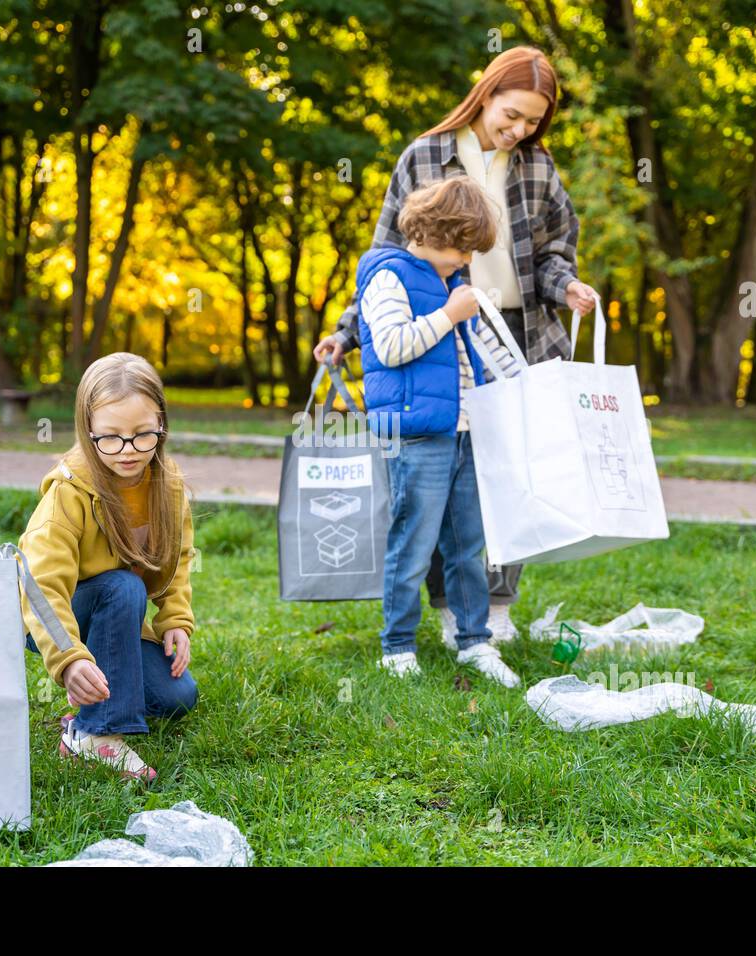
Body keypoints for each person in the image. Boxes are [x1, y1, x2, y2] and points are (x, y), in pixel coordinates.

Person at [314, 46, 599, 649]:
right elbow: (385, 254)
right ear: (487, 93)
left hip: (520, 339)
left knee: (509, 476)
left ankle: (496, 604)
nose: (519, 130)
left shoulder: (538, 169)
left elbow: (553, 254)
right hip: (444, 337)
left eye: (533, 122)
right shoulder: (425, 156)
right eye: (513, 114)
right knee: (447, 471)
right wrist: (346, 332)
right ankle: (447, 607)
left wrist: (567, 285)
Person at [360, 176, 521, 687]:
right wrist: (448, 315)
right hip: (416, 435)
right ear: (433, 232)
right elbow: (390, 347)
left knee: (467, 545)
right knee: (412, 544)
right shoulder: (388, 275)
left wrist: (521, 382)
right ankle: (398, 645)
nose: (466, 259)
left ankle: (474, 641)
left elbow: (478, 351)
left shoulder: (451, 281)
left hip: (465, 432)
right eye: (462, 247)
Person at [18, 353, 198, 783]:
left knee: (178, 697)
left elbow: (180, 558)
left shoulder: (167, 488)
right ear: (88, 431)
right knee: (122, 587)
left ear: (161, 426)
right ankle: (97, 734)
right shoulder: (68, 493)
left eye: (142, 435)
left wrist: (175, 619)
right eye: (111, 438)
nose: (128, 450)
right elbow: (40, 585)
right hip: (58, 617)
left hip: (119, 617)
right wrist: (69, 658)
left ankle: (91, 703)